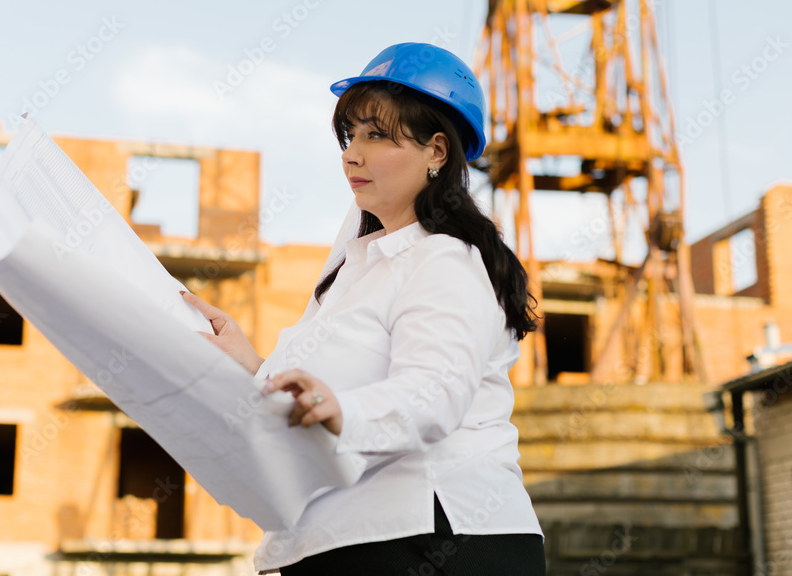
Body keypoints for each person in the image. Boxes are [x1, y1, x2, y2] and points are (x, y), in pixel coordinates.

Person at [181, 43, 546, 575]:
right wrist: (255, 367)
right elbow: (326, 394)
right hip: (354, 540)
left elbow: (435, 391)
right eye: (351, 135)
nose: (352, 153)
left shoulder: (445, 258)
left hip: (437, 536)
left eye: (377, 135)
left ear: (437, 152)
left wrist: (344, 412)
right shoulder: (357, 266)